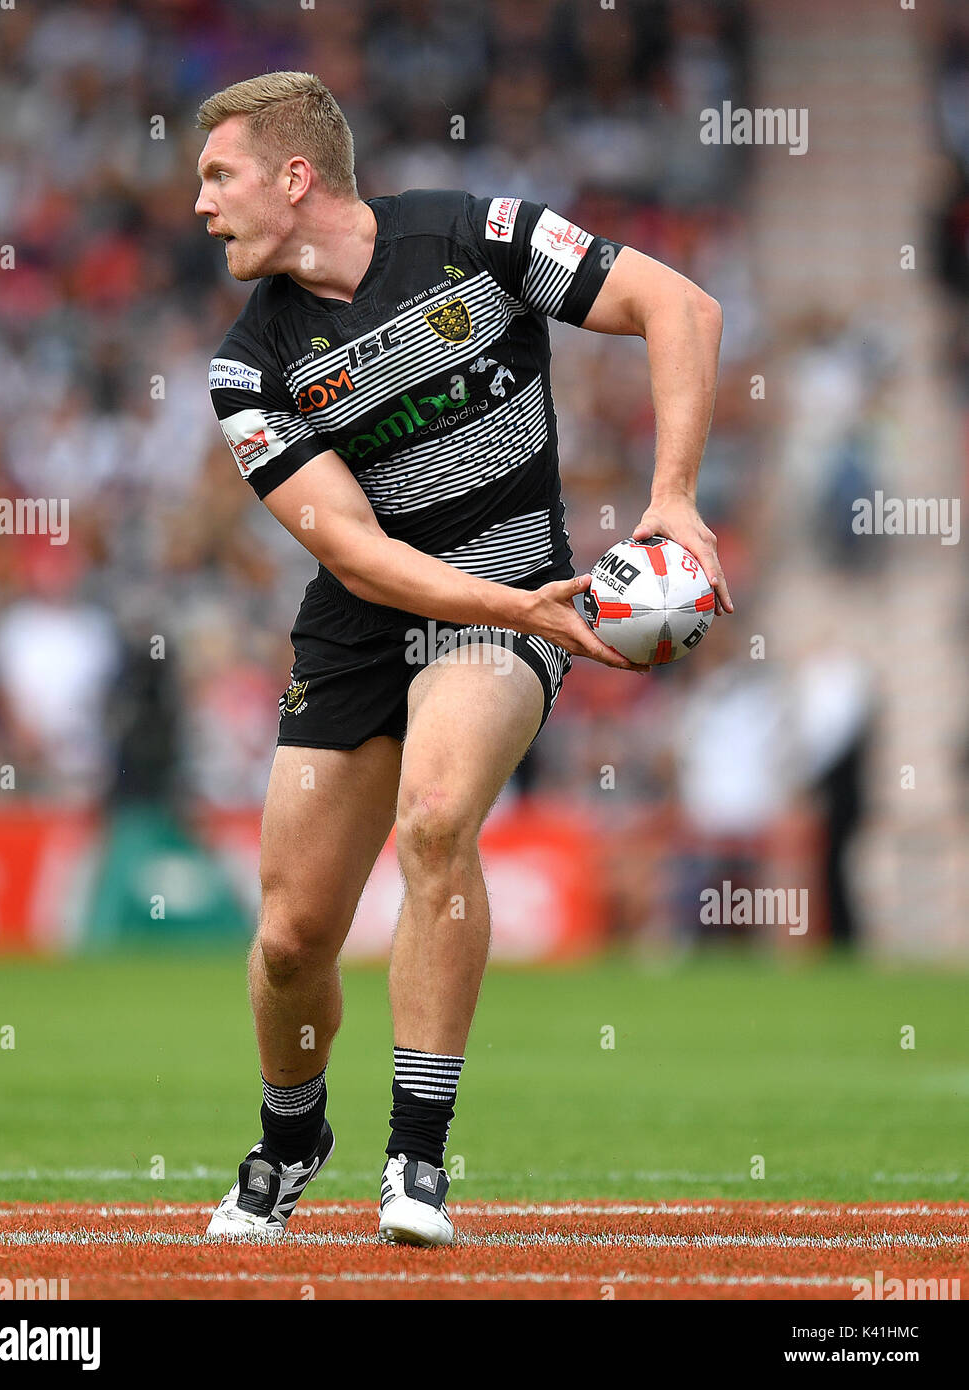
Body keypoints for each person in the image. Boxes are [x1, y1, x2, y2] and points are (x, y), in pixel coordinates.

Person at [195, 71, 729, 1247]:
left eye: (219, 175)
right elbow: (354, 549)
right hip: (374, 617)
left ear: (295, 176)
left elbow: (679, 307)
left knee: (437, 816)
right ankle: (292, 1140)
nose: (201, 204)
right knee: (291, 936)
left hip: (508, 600)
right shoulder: (247, 368)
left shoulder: (479, 235)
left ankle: (417, 1160)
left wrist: (673, 499)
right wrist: (520, 605)